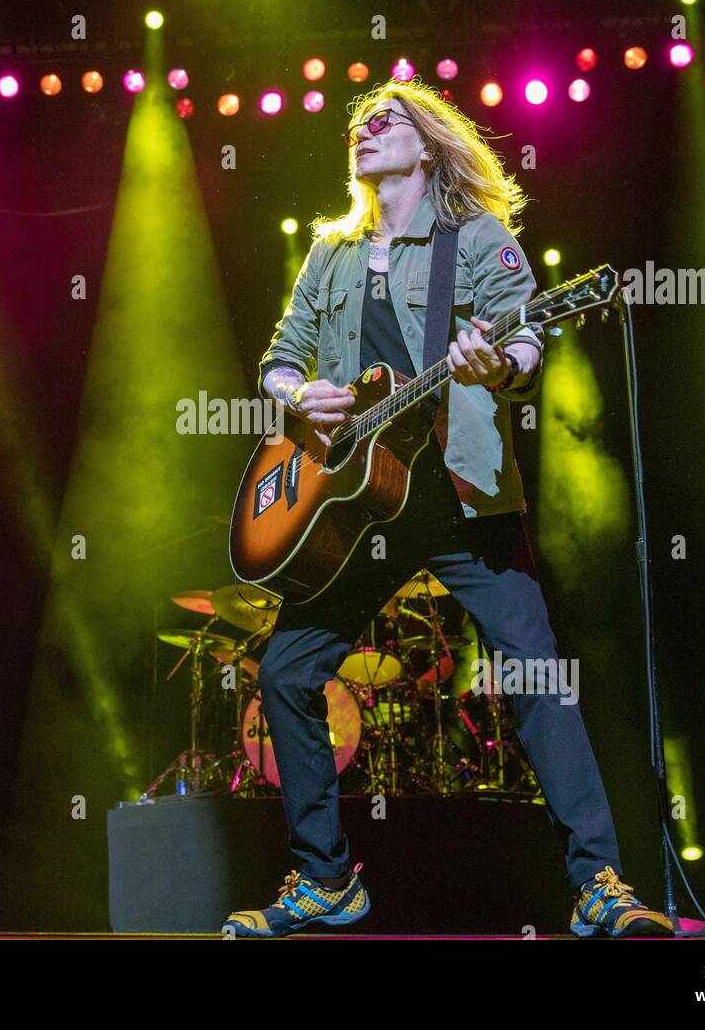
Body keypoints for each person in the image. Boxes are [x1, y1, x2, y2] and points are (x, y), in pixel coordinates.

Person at [224, 79, 671, 938]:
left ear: (426, 147)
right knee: (284, 673)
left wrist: (497, 366)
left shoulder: (476, 237)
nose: (365, 127)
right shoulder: (331, 252)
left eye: (384, 119)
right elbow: (280, 358)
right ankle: (325, 879)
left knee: (535, 676)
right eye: (358, 122)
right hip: (358, 510)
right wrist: (296, 393)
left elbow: (524, 338)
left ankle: (599, 884)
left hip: (464, 501)